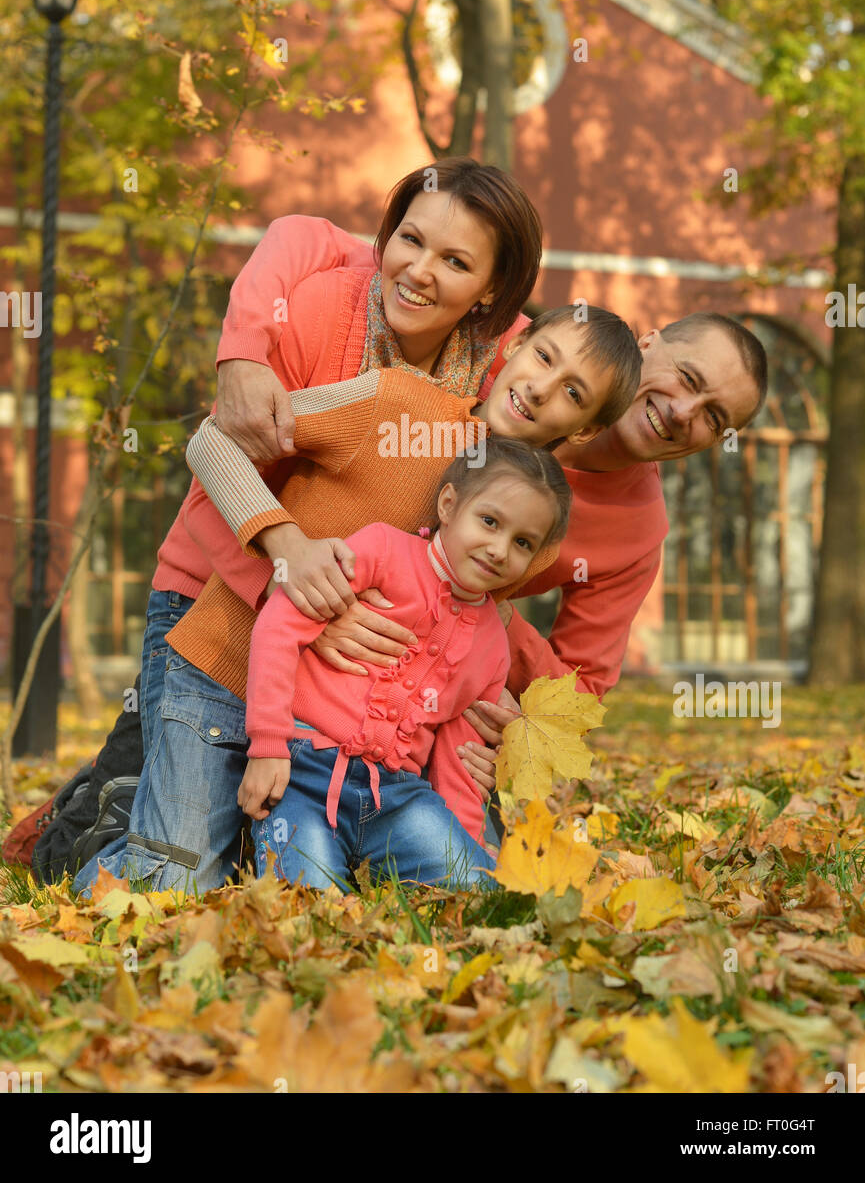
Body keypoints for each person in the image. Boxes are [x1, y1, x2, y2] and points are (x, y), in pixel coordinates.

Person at [72, 303, 641, 893]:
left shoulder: (535, 533)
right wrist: (288, 552)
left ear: (586, 430)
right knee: (172, 883)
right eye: (543, 357)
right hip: (230, 666)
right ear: (515, 347)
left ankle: (221, 828)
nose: (543, 388)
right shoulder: (396, 406)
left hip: (342, 743)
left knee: (462, 881)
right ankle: (94, 824)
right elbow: (214, 441)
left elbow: (459, 644)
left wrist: (504, 731)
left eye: (573, 393)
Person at [242, 440, 572, 892]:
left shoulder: (493, 642)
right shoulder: (382, 549)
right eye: (490, 522)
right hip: (304, 771)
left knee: (480, 890)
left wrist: (468, 841)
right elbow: (280, 624)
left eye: (521, 543)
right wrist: (267, 746)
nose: (498, 549)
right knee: (307, 902)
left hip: (397, 796)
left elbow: (460, 755)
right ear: (450, 504)